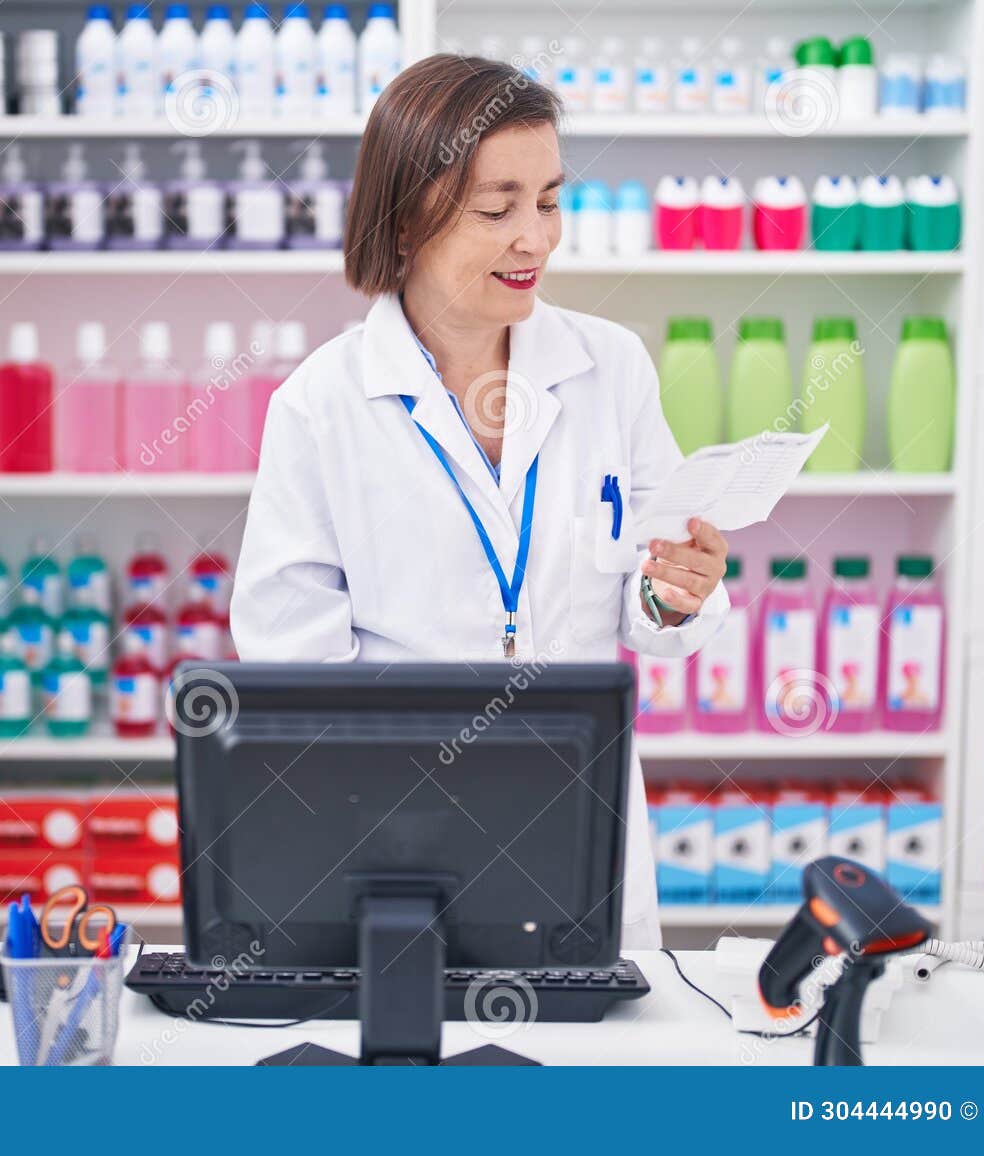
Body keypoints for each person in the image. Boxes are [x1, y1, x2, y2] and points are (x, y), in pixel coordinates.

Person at [229, 55, 731, 949]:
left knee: (595, 1071)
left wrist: (676, 588)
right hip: (395, 836)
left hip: (585, 818)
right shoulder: (322, 402)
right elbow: (290, 663)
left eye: (548, 202)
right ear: (407, 215)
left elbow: (651, 598)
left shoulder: (608, 367)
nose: (535, 240)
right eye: (497, 210)